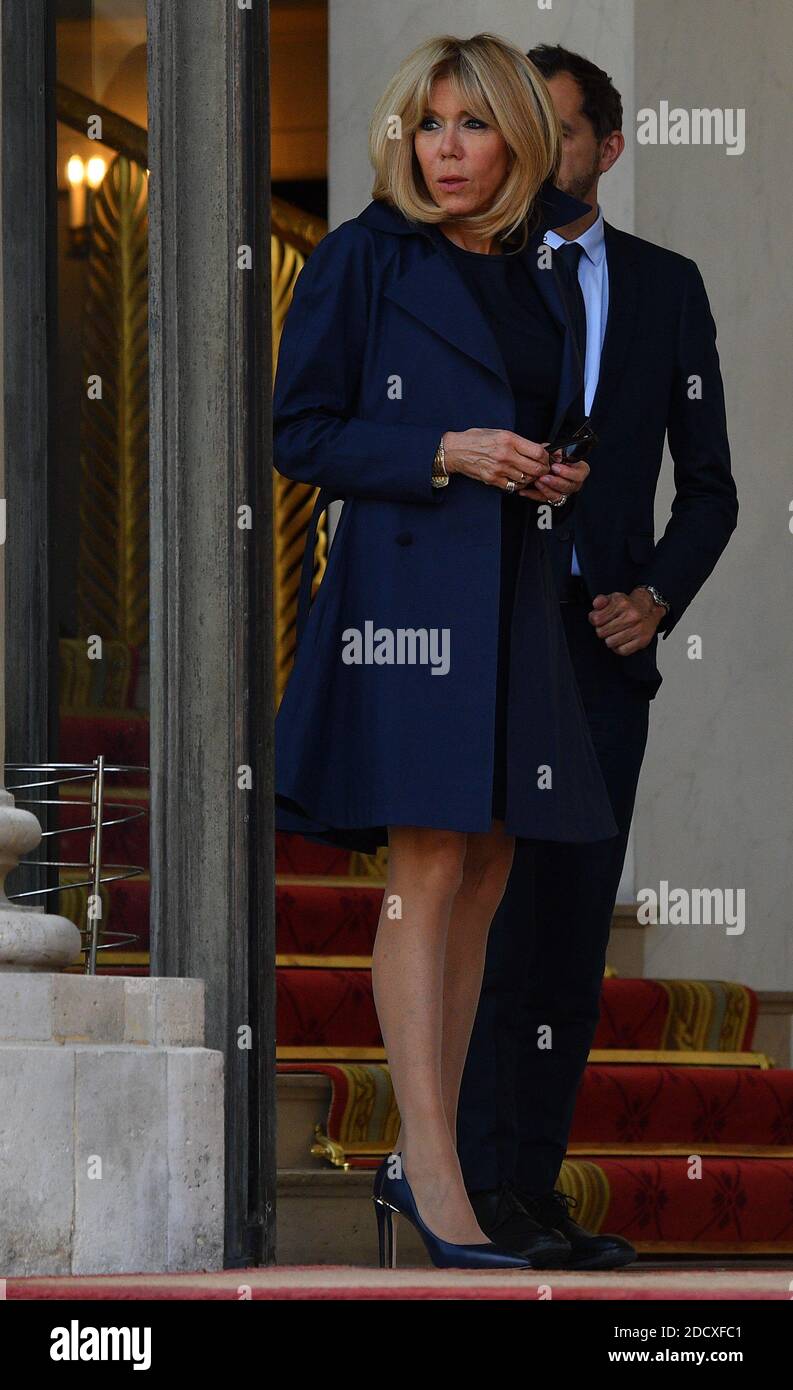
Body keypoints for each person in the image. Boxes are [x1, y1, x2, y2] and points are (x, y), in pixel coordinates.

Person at [272, 32, 620, 1270]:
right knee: (426, 859)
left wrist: (549, 468)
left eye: (472, 125)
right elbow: (301, 433)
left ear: (519, 137)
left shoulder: (537, 269)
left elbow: (537, 418)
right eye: (429, 125)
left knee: (483, 866)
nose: (448, 149)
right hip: (408, 601)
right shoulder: (365, 255)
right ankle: (433, 1166)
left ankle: (428, 1156)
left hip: (514, 590)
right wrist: (443, 452)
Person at [458, 44, 738, 1269]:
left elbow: (714, 490)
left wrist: (656, 598)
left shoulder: (667, 288)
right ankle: (458, 1186)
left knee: (567, 935)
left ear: (607, 148)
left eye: (555, 131)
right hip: (476, 641)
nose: (527, 152)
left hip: (594, 653)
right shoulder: (463, 268)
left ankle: (528, 1190)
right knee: (478, 922)